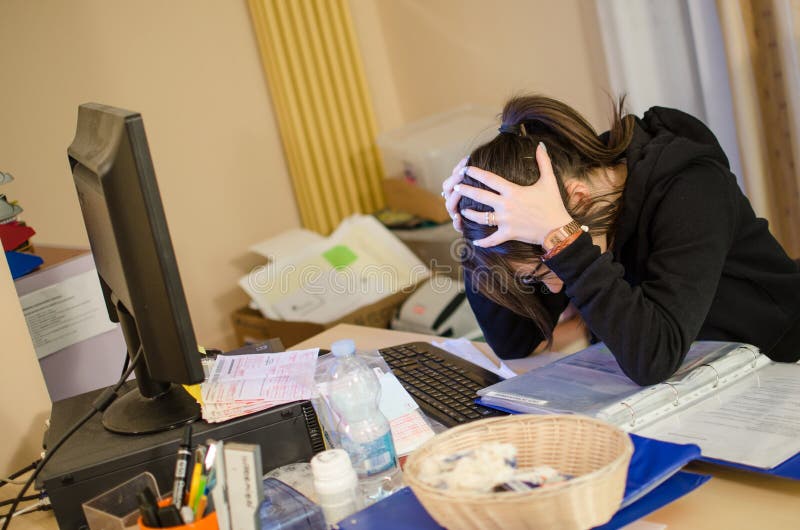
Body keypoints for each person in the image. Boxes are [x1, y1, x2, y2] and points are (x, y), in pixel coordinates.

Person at [442, 94, 800, 385]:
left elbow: (653, 358)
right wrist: (475, 232)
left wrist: (563, 243)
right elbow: (514, 341)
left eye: (544, 268)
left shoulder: (691, 187)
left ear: (578, 198)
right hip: (693, 378)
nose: (551, 290)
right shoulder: (575, 205)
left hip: (777, 366)